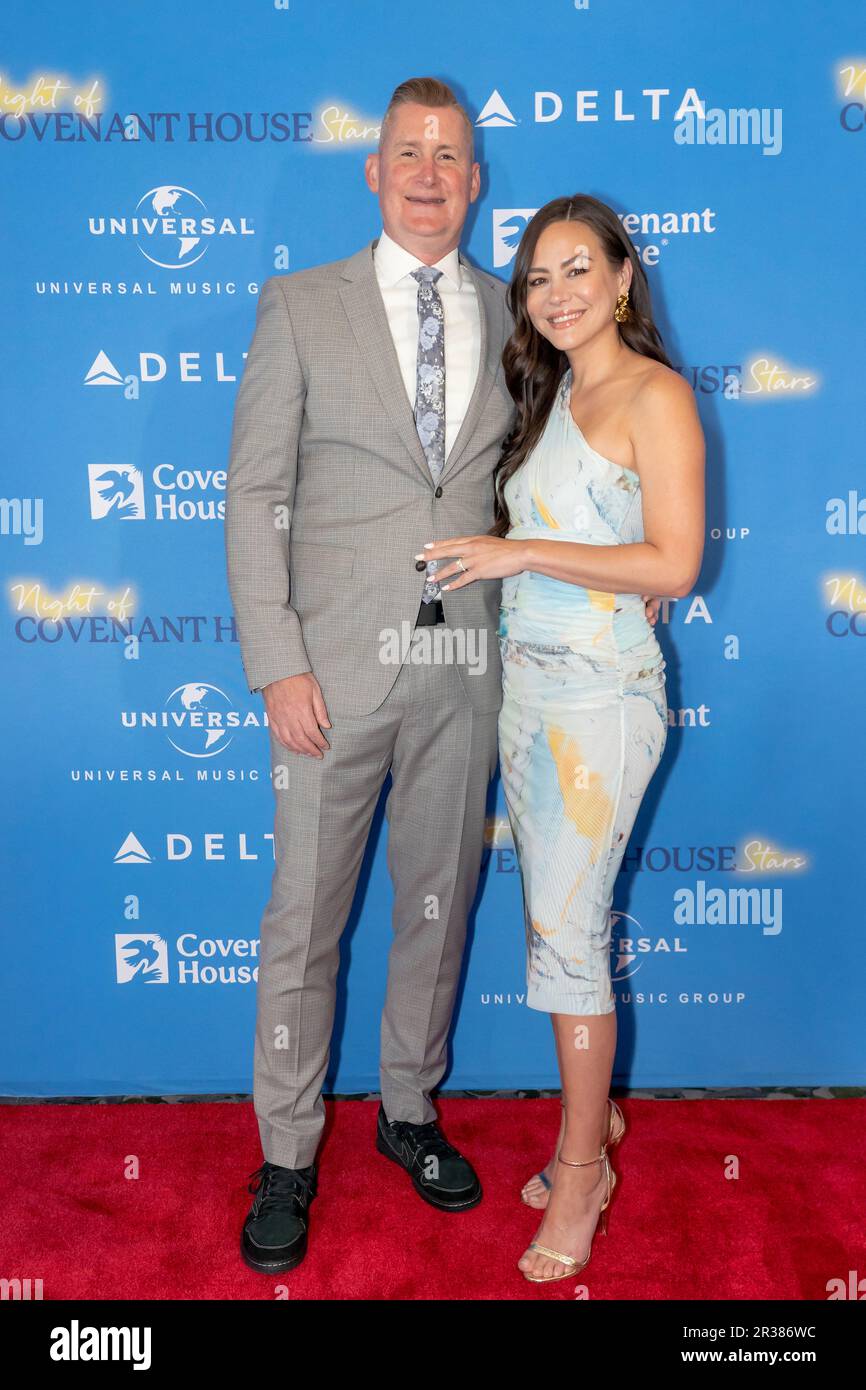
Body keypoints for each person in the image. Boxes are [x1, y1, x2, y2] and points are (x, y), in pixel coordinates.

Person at [224, 76, 521, 1274]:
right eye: (409, 151)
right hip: (330, 675)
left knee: (436, 902)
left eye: (451, 155)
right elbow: (254, 496)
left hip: (460, 665)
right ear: (372, 169)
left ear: (475, 178)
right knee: (304, 919)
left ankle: (407, 1110)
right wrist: (276, 664)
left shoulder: (517, 313)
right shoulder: (300, 305)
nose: (429, 173)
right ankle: (287, 1152)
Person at [420, 194, 705, 1283]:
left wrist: (519, 552)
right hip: (528, 702)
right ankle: (595, 1132)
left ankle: (581, 1170)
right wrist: (527, 555)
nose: (554, 292)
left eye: (576, 268)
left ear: (623, 277)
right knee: (557, 927)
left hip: (598, 704)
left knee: (569, 940)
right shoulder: (545, 399)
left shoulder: (655, 395)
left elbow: (672, 564)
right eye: (535, 277)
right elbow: (601, 540)